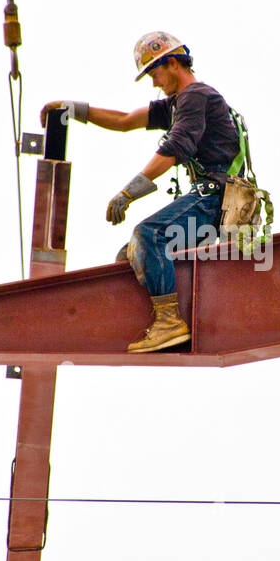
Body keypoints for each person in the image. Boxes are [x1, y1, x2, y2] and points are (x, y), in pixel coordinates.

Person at [41, 31, 241, 353]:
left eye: (154, 73)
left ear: (172, 63)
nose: (154, 83)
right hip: (215, 201)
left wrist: (127, 193)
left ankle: (170, 323)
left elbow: (175, 149)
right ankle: (163, 316)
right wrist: (73, 109)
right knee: (133, 254)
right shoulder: (179, 103)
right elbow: (124, 120)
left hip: (216, 198)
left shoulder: (195, 97)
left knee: (148, 235)